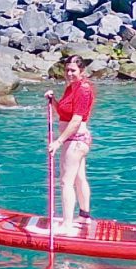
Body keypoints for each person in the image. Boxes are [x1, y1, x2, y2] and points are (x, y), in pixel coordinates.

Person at [46, 56, 95, 229]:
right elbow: (63, 113)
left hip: (75, 140)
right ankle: (84, 216)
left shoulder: (83, 89)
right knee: (79, 178)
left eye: (73, 70)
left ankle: (67, 224)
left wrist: (58, 141)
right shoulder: (71, 88)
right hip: (75, 140)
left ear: (82, 71)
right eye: (67, 70)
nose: (69, 73)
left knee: (66, 182)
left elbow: (75, 121)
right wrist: (53, 102)